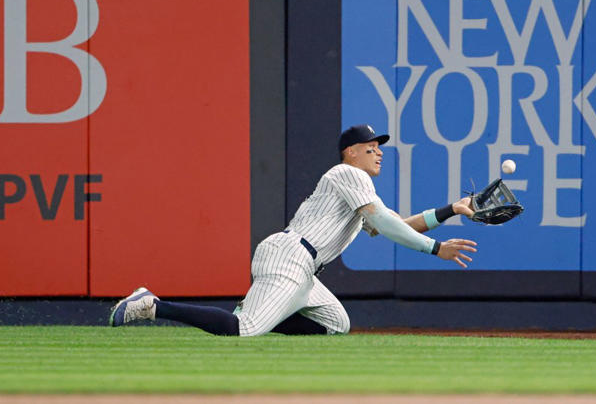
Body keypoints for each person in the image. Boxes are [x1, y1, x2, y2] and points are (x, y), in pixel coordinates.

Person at [109, 124, 478, 337]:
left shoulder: (360, 186)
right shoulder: (346, 174)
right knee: (243, 329)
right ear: (350, 152)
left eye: (379, 148)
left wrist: (451, 209)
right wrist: (435, 249)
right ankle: (152, 306)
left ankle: (268, 306)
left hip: (304, 268)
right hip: (290, 257)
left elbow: (392, 224)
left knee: (337, 324)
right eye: (371, 147)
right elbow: (383, 222)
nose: (378, 152)